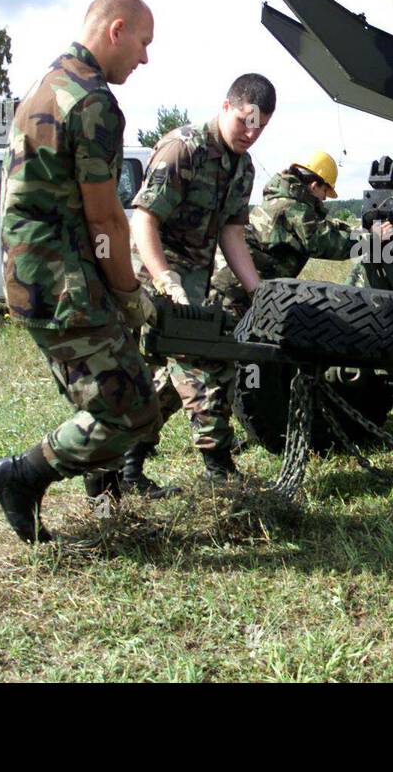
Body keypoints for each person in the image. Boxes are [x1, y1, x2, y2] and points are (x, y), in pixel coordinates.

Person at [0, 0, 159, 543]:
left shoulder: (46, 84)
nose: (145, 57)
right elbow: (105, 218)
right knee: (133, 411)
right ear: (116, 30)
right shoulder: (92, 101)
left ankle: (104, 497)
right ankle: (21, 476)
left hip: (32, 277)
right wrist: (130, 295)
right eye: (143, 42)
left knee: (104, 392)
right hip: (67, 283)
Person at [125, 74, 272, 486]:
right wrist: (165, 280)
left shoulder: (242, 168)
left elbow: (231, 233)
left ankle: (128, 466)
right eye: (245, 121)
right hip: (154, 281)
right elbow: (144, 220)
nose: (251, 133)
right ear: (226, 107)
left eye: (260, 127)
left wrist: (257, 291)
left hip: (193, 285)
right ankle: (219, 470)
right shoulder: (183, 149)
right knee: (204, 366)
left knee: (166, 380)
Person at [209, 150, 356, 319]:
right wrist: (370, 241)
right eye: (325, 191)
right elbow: (327, 242)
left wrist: (354, 231)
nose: (324, 199)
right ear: (314, 186)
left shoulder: (285, 201)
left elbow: (319, 226)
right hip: (234, 297)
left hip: (238, 291)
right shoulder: (292, 208)